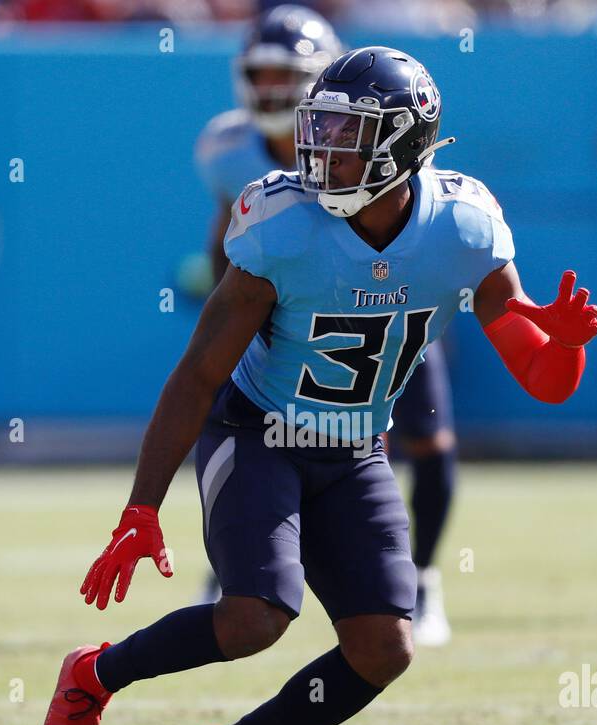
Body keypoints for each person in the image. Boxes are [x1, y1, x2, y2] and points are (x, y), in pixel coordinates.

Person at [39, 47, 597, 725]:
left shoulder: (464, 227)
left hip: (354, 450)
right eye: (321, 128)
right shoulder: (285, 224)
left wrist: (568, 341)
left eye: (348, 133)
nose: (323, 151)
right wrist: (142, 508)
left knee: (384, 646)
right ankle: (94, 677)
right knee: (253, 619)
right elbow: (198, 375)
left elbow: (543, 378)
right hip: (258, 430)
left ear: (405, 144)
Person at [194, 6, 461, 644]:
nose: (269, 90)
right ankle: (244, 565)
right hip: (290, 309)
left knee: (429, 440)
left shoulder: (384, 140)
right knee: (244, 427)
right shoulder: (227, 149)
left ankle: (419, 576)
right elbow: (228, 234)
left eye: (283, 75)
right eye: (257, 75)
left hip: (387, 311)